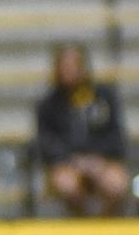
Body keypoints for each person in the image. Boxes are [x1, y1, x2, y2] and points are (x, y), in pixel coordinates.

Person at [37, 43, 131, 217]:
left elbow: (116, 136)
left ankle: (104, 229)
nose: (69, 70)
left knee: (116, 183)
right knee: (67, 184)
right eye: (64, 66)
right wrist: (73, 160)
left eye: (73, 65)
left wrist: (97, 160)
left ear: (83, 67)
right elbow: (46, 143)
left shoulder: (104, 98)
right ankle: (82, 226)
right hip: (67, 164)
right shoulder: (47, 104)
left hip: (102, 162)